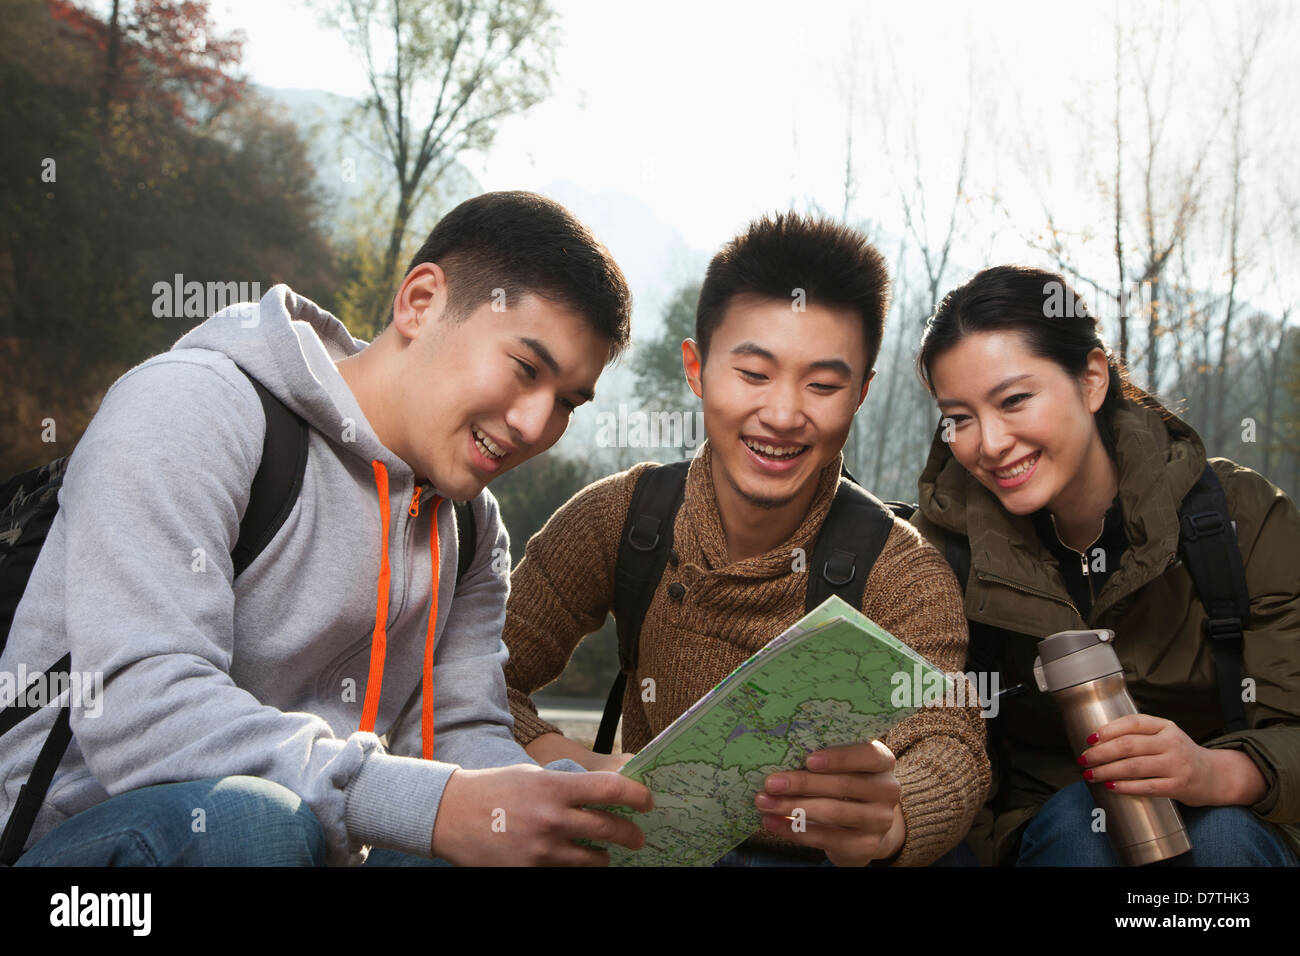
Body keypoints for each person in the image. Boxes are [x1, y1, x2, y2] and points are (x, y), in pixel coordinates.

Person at [0, 190, 653, 867]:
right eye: (525, 369)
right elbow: (142, 714)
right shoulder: (193, 407)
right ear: (421, 302)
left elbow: (457, 740)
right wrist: (427, 805)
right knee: (250, 820)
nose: (535, 425)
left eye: (567, 403)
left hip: (307, 846)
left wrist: (569, 804)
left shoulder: (471, 527)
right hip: (79, 852)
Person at [502, 213, 991, 867]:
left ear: (861, 394)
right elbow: (476, 679)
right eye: (754, 374)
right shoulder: (623, 518)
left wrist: (893, 817)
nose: (783, 415)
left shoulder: (899, 569)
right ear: (696, 368)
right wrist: (572, 765)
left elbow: (949, 740)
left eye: (823, 385)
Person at [910, 264, 1300, 866]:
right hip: (1041, 829)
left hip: (1234, 813)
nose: (988, 443)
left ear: (1092, 380)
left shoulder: (1239, 517)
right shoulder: (938, 547)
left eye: (1014, 400)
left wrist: (1212, 771)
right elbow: (924, 734)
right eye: (959, 418)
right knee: (1079, 829)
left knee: (1223, 837)